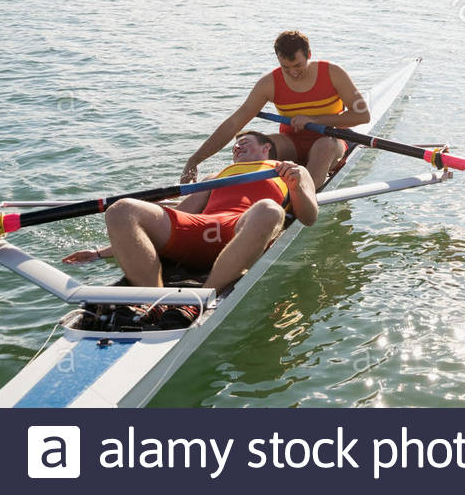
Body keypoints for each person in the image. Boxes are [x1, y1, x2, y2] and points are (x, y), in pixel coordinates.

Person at [63, 131, 315, 303]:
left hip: (240, 229)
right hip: (200, 229)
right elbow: (183, 211)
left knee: (269, 209)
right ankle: (154, 301)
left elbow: (309, 216)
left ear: (266, 147)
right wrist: (100, 253)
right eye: (235, 146)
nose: (237, 147)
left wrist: (295, 186)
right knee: (121, 209)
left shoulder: (290, 169)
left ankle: (203, 299)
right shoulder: (217, 175)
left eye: (245, 142)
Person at [182, 30, 369, 191]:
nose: (293, 72)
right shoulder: (269, 84)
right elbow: (233, 124)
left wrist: (315, 120)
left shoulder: (333, 73)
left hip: (330, 141)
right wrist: (194, 160)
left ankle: (298, 200)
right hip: (292, 143)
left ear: (309, 54)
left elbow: (362, 115)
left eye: (298, 65)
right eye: (285, 67)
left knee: (324, 146)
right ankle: (229, 192)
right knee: (255, 146)